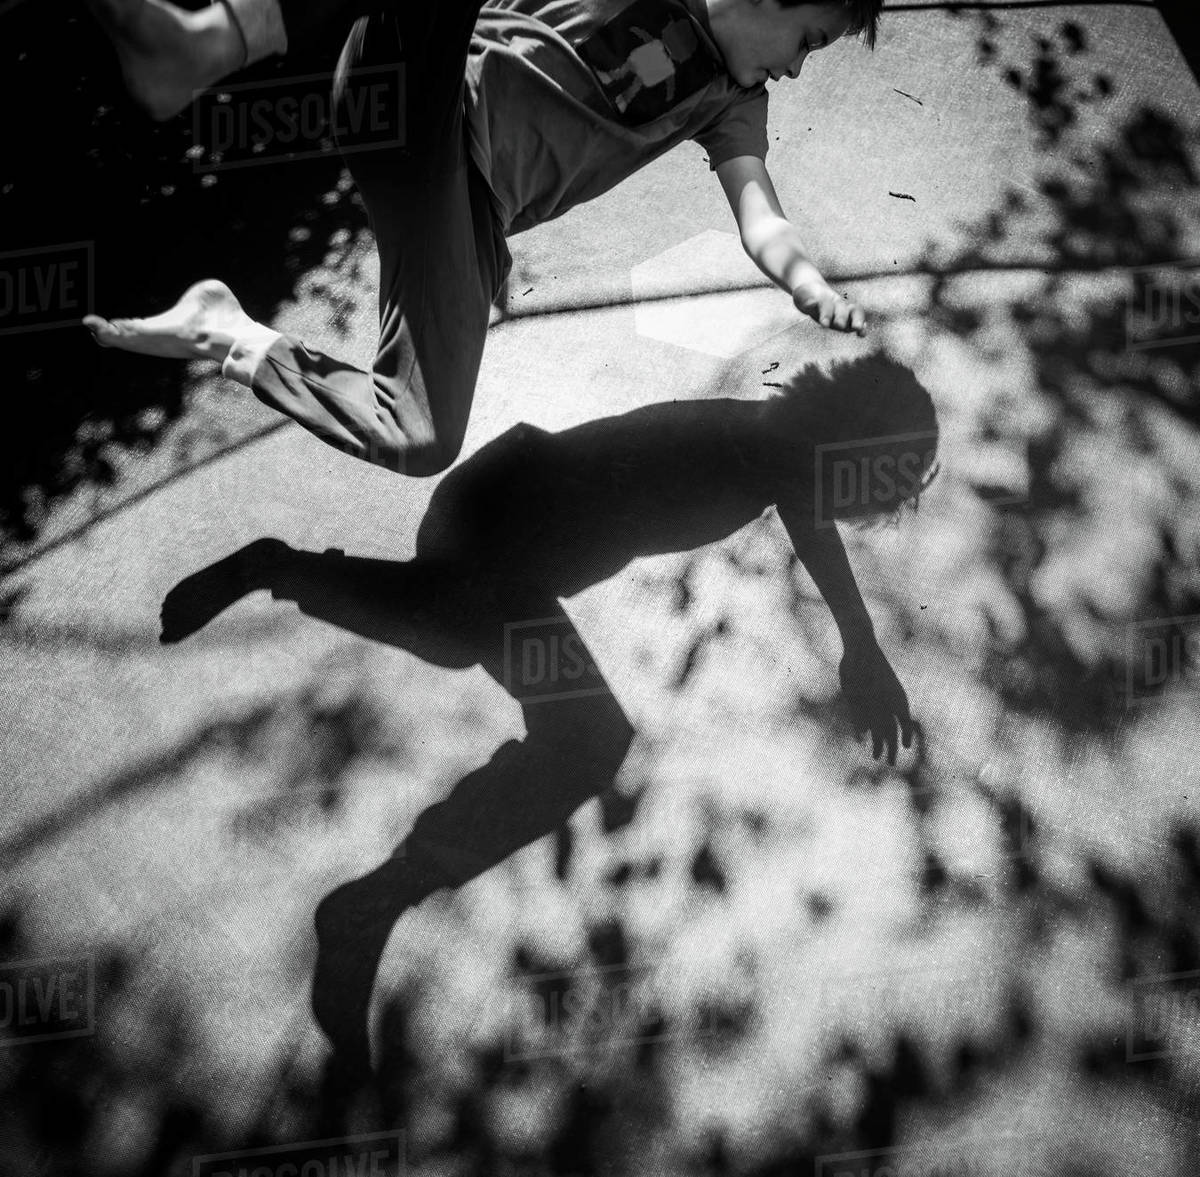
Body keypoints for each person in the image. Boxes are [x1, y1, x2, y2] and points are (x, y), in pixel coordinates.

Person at [82, 0, 881, 476]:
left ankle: (226, 334)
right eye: (807, 40)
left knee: (420, 436)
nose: (797, 70)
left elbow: (760, 214)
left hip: (453, 204)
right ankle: (216, 36)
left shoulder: (729, 103)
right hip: (416, 88)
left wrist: (804, 281)